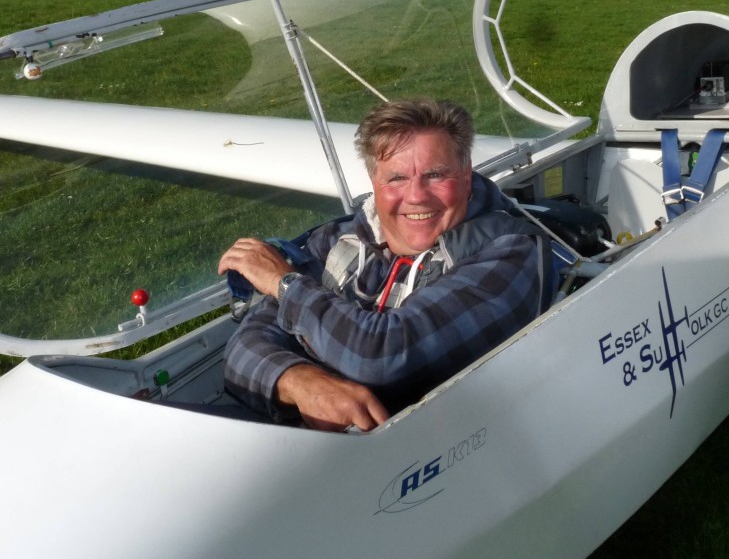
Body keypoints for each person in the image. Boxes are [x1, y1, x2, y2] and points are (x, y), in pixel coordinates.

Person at [218, 98, 549, 432]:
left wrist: (285, 283)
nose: (417, 195)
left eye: (435, 175)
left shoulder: (509, 254)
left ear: (466, 175)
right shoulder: (339, 241)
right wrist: (301, 383)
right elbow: (243, 347)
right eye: (397, 178)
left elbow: (383, 355)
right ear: (373, 182)